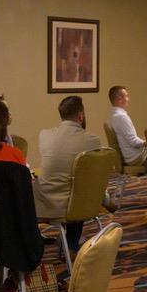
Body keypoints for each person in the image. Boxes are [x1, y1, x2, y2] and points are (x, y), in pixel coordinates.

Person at [34, 96, 103, 256]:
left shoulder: (44, 135)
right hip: (77, 207)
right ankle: (71, 244)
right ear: (81, 116)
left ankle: (35, 241)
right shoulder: (92, 141)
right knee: (79, 185)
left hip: (44, 204)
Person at [108, 85, 147, 165]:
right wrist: (146, 142)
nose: (128, 99)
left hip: (128, 155)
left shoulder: (114, 115)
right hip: (135, 157)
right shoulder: (121, 117)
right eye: (126, 96)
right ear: (119, 99)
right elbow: (133, 142)